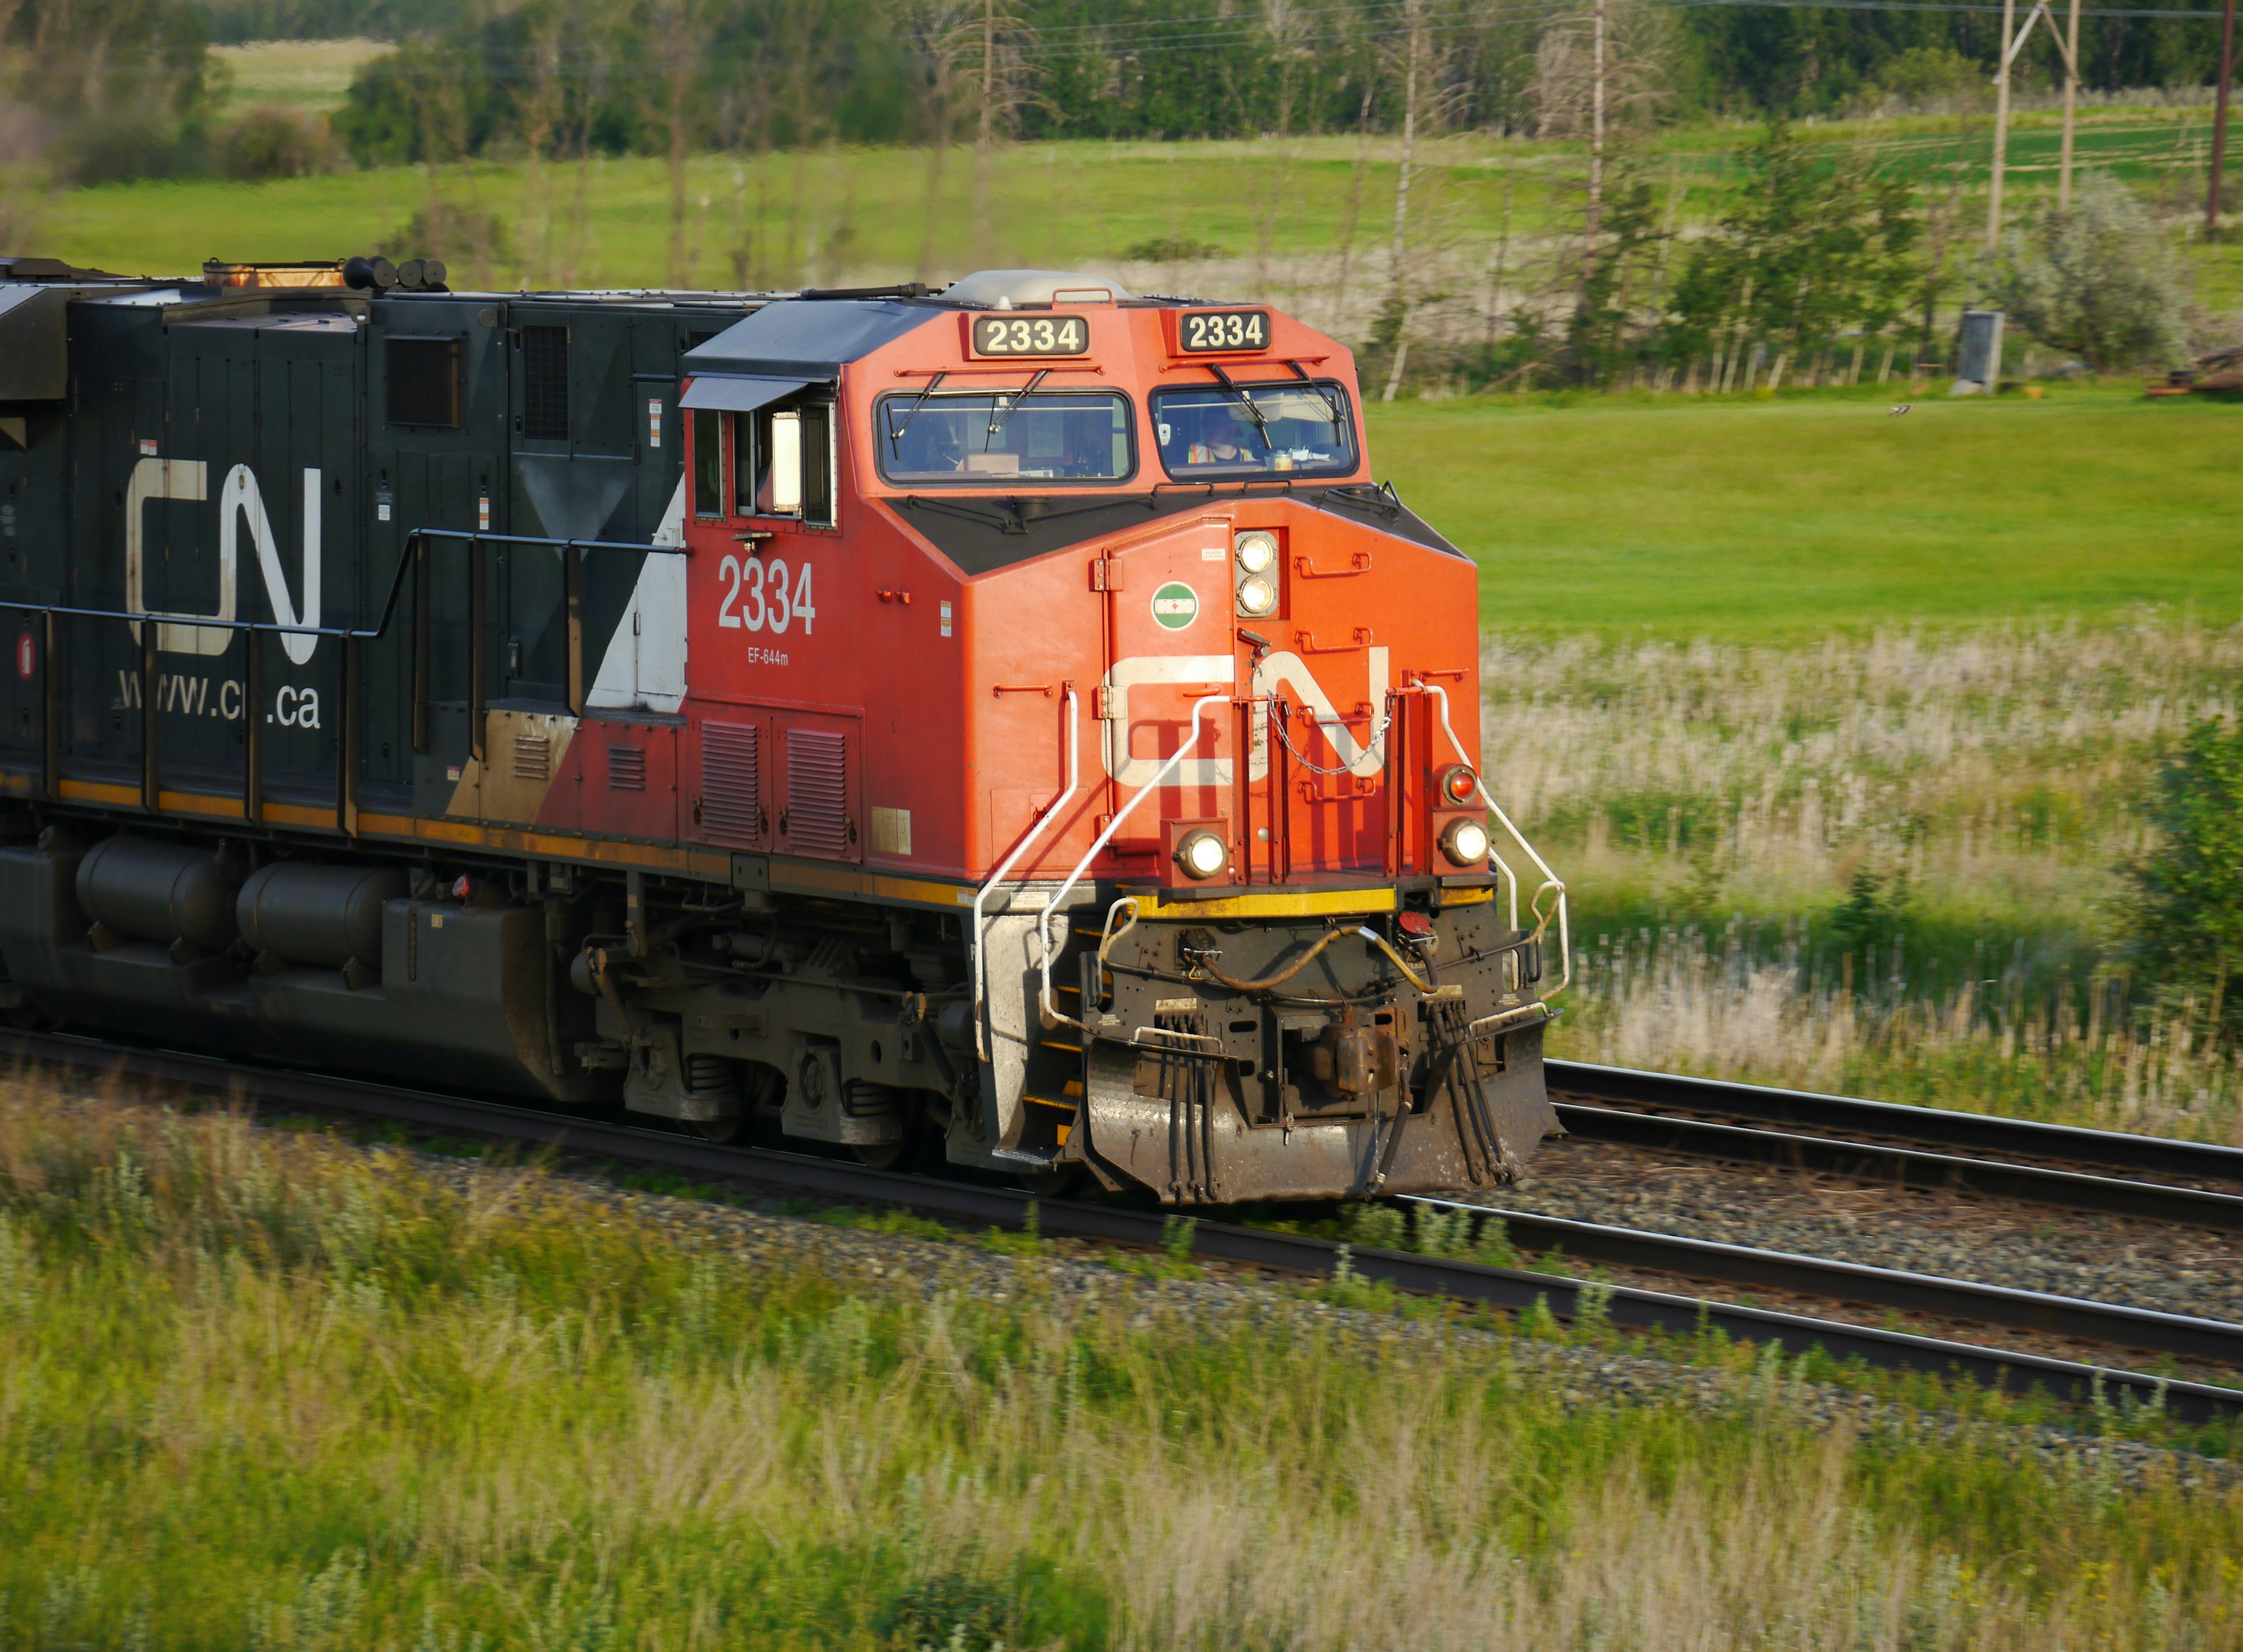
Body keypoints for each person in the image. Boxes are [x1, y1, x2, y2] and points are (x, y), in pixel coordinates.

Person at [1186, 408, 1262, 466]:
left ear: (1233, 426)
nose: (1209, 428)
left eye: (1216, 423)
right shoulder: (1190, 454)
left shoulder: (1250, 457)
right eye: (1205, 423)